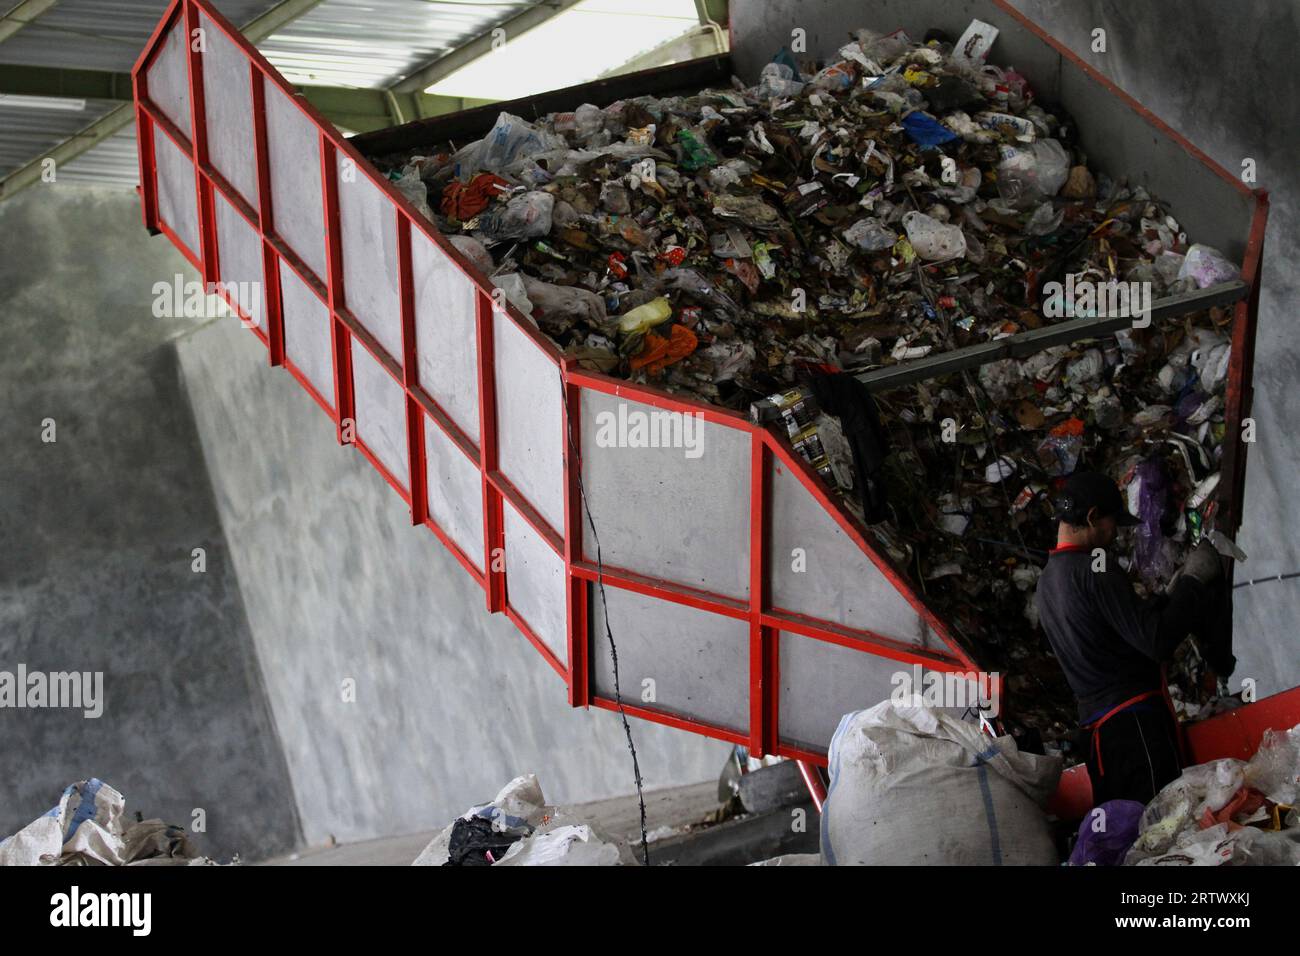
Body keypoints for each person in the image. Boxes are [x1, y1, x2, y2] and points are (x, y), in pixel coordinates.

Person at [1036, 470, 1224, 805]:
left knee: (1136, 839)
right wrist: (1194, 580)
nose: (1115, 534)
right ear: (1093, 516)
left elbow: (1113, 630)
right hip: (1134, 729)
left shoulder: (1048, 581)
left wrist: (1169, 595)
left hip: (1100, 739)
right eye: (1113, 524)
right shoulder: (1095, 568)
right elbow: (1158, 642)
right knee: (1166, 825)